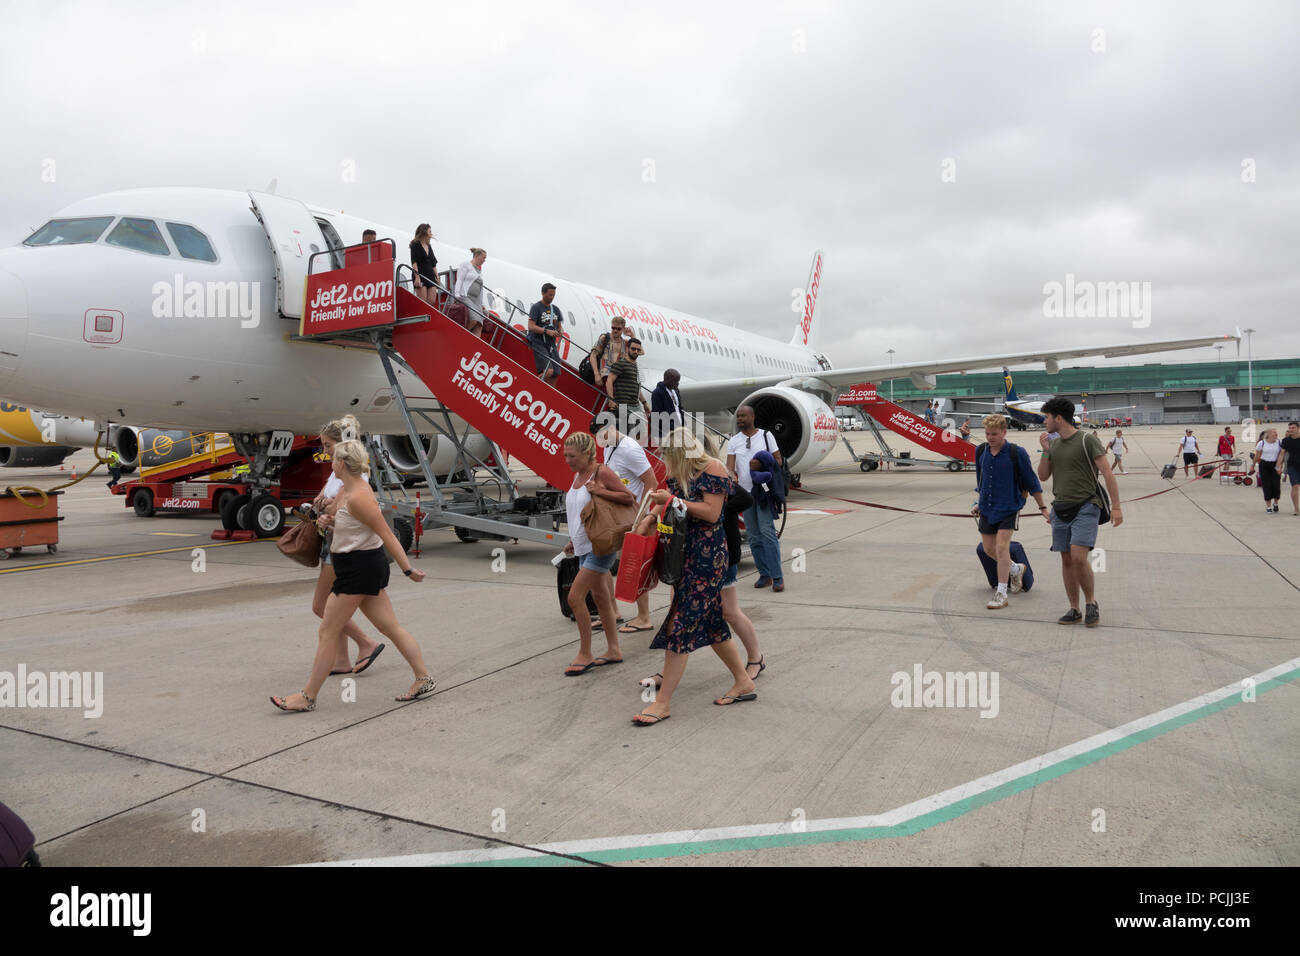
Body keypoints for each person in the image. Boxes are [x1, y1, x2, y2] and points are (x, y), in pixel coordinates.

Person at [271, 440, 433, 712]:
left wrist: (408, 570)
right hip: (357, 566)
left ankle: (307, 697)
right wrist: (330, 522)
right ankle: (423, 678)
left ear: (342, 464)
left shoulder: (359, 496)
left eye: (333, 459)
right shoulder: (347, 490)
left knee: (328, 631)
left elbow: (385, 533)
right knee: (389, 627)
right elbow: (353, 525)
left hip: (359, 569)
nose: (330, 462)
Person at [633, 428, 755, 725]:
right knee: (712, 623)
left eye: (669, 456)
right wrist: (650, 517)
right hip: (685, 554)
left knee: (681, 626)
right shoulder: (681, 473)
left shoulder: (713, 468)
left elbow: (712, 513)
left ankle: (662, 704)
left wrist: (674, 501)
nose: (666, 462)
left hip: (707, 557)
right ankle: (743, 681)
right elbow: (667, 501)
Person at [1036, 396, 1122, 628]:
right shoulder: (1053, 445)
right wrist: (1045, 451)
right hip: (1060, 507)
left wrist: (1116, 506)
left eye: (1047, 417)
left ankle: (1091, 602)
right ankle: (1074, 608)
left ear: (1059, 418)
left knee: (1077, 556)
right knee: (1066, 559)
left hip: (1086, 506)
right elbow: (1043, 476)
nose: (1044, 422)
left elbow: (1107, 472)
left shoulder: (1086, 440)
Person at [308, 415, 384, 677]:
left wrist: (326, 506)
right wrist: (319, 500)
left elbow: (338, 504)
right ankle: (341, 660)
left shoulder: (351, 471)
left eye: (328, 445)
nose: (325, 450)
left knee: (321, 606)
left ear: (341, 445)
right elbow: (327, 496)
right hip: (333, 540)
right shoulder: (337, 469)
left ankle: (366, 643)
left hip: (342, 545)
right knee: (331, 603)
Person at [561, 431, 635, 676]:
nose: (567, 460)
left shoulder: (600, 472)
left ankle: (585, 653)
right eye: (565, 455)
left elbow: (629, 497)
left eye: (572, 455)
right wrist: (573, 540)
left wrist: (600, 491)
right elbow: (578, 513)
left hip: (601, 547)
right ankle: (614, 650)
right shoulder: (577, 475)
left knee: (575, 598)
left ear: (586, 453)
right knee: (602, 599)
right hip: (583, 545)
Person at [972, 414, 1048, 609]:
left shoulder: (1016, 452)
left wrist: (1043, 508)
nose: (990, 437)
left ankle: (1001, 593)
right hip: (988, 508)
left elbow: (1032, 482)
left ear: (1004, 432)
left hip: (1009, 507)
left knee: (1001, 548)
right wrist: (978, 503)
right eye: (988, 434)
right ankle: (1017, 569)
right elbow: (982, 481)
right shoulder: (981, 451)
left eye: (995, 434)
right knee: (988, 549)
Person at [591, 418, 658, 633]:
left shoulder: (630, 449)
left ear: (611, 428)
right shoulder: (609, 446)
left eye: (601, 436)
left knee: (635, 566)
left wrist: (642, 517)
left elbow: (652, 482)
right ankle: (613, 611)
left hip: (635, 517)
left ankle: (644, 617)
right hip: (618, 517)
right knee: (608, 565)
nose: (599, 442)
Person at [726, 405, 784, 592]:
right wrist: (730, 478)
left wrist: (761, 464)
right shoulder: (734, 441)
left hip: (763, 493)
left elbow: (778, 461)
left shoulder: (766, 436)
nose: (740, 419)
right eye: (738, 416)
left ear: (752, 416)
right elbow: (729, 467)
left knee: (767, 533)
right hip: (745, 494)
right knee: (753, 536)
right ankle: (764, 574)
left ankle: (777, 576)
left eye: (743, 416)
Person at [607, 336, 650, 439]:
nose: (635, 351)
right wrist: (611, 399)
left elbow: (637, 387)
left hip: (636, 406)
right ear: (628, 349)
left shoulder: (637, 366)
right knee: (625, 435)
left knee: (641, 433)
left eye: (638, 350)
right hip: (623, 405)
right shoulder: (621, 363)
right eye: (633, 349)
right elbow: (609, 381)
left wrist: (644, 403)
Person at [527, 283, 565, 385]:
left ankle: (548, 395)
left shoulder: (556, 309)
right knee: (549, 371)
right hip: (539, 342)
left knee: (556, 374)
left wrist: (560, 332)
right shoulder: (536, 307)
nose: (552, 297)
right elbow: (531, 326)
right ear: (543, 293)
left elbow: (560, 327)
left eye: (553, 295)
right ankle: (531, 385)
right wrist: (546, 331)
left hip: (551, 344)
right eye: (550, 295)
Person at [453, 247, 487, 336]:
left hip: (476, 300)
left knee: (479, 324)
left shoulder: (479, 271)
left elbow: (481, 289)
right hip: (465, 296)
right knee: (474, 319)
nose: (484, 260)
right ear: (477, 256)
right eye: (483, 258)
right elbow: (459, 279)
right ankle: (462, 336)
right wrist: (456, 294)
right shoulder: (466, 265)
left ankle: (476, 344)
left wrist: (482, 304)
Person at [1249, 428, 1282, 513]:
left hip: (1275, 465)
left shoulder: (1279, 443)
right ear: (1269, 434)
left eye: (1276, 432)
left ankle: (1276, 503)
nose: (1276, 434)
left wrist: (1280, 467)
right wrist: (1253, 465)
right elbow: (1257, 455)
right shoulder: (1262, 443)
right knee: (1266, 485)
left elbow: (1281, 455)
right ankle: (1268, 506)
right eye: (1274, 433)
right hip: (1264, 465)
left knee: (1276, 485)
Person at [651, 368, 685, 444]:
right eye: (676, 381)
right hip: (665, 433)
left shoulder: (676, 391)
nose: (678, 383)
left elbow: (679, 409)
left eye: (678, 381)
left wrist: (682, 426)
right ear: (667, 379)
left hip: (678, 431)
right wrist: (674, 428)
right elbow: (657, 415)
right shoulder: (657, 393)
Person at [409, 224, 438, 305]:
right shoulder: (415, 244)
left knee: (431, 301)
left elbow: (433, 263)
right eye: (429, 231)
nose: (431, 233)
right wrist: (417, 277)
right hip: (420, 274)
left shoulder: (429, 245)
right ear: (424, 231)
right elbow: (414, 262)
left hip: (430, 275)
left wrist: (437, 276)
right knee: (423, 302)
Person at [1280, 422, 1300, 516]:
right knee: (1295, 486)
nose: (1291, 429)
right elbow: (1282, 453)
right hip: (1292, 466)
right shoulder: (1286, 440)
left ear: (1298, 428)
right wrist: (1278, 465)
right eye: (1290, 428)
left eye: (1293, 428)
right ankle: (1296, 509)